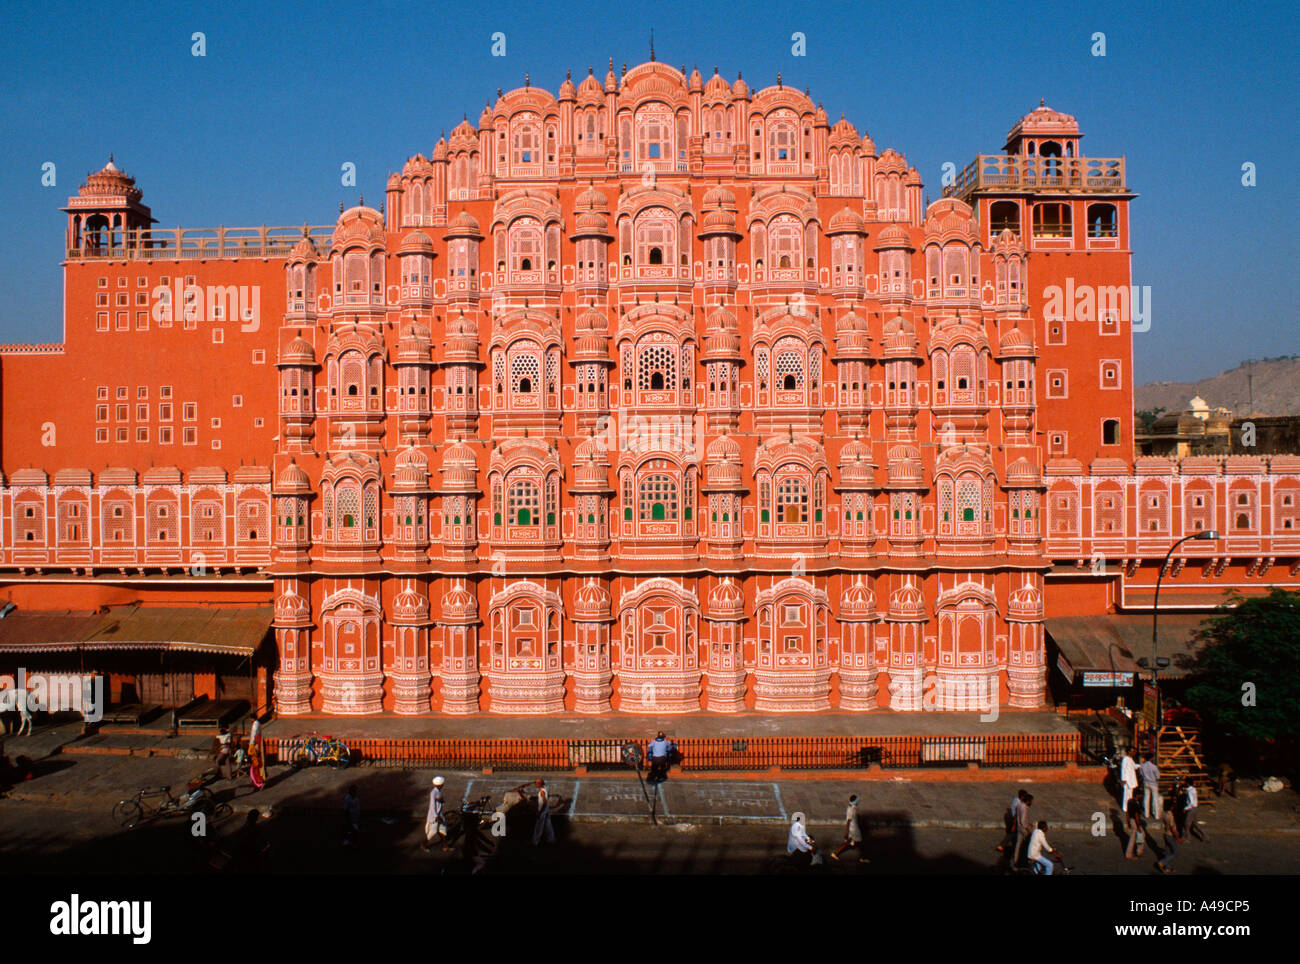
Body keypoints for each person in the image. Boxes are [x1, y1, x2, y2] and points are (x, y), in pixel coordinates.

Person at [832, 793, 869, 862]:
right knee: (859, 842)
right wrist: (847, 832)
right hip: (854, 829)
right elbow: (848, 821)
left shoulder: (852, 808)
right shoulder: (851, 810)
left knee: (849, 842)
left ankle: (836, 853)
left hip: (854, 828)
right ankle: (862, 858)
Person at [997, 789, 1027, 855]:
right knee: (1011, 834)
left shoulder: (1015, 799)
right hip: (1013, 820)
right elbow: (1016, 814)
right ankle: (1002, 845)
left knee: (1013, 834)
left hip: (1012, 818)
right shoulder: (1019, 803)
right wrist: (1014, 824)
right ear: (1022, 796)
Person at [424, 775, 447, 850]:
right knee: (432, 832)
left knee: (443, 830)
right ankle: (423, 845)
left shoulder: (438, 792)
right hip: (435, 816)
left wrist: (441, 801)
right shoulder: (433, 793)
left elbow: (439, 802)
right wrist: (436, 817)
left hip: (439, 814)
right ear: (440, 785)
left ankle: (445, 846)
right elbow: (432, 806)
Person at [531, 778, 555, 845]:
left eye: (536, 783)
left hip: (543, 812)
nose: (535, 784)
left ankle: (535, 841)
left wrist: (540, 812)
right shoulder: (544, 790)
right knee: (548, 825)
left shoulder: (542, 792)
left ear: (539, 784)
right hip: (546, 811)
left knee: (538, 827)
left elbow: (544, 802)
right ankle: (551, 839)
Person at [1156, 807, 1180, 873]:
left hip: (1165, 834)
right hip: (1170, 835)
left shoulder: (1164, 813)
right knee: (1175, 853)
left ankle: (1167, 867)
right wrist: (1178, 838)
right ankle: (1162, 862)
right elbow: (1172, 828)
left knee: (1167, 852)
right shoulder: (1170, 815)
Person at [1139, 754, 1161, 819]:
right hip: (1153, 783)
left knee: (1146, 798)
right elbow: (1158, 776)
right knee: (1155, 799)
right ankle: (1156, 815)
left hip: (1146, 782)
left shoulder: (1142, 766)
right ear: (1151, 758)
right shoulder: (1154, 766)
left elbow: (1141, 774)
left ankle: (1146, 814)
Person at [1119, 747, 1138, 812]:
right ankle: (1125, 808)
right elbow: (1123, 769)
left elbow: (1134, 766)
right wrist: (1123, 779)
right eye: (1133, 751)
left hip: (1131, 779)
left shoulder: (1131, 759)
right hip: (1127, 780)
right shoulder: (1125, 759)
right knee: (1127, 794)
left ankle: (1129, 807)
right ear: (1129, 752)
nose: (1134, 753)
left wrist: (1141, 765)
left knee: (1130, 794)